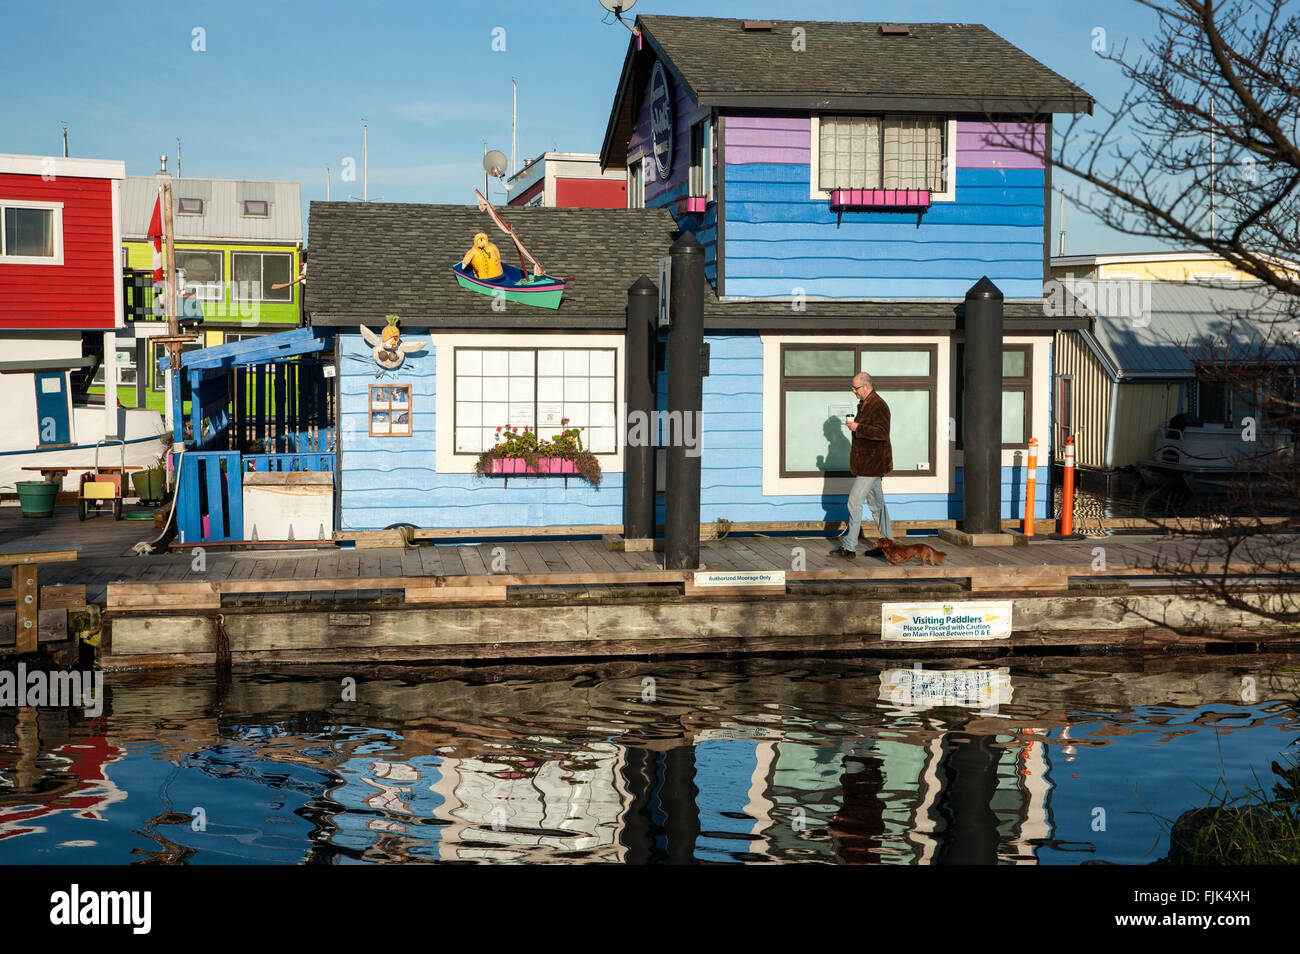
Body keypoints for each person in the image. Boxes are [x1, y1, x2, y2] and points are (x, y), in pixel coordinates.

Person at [831, 371, 893, 559]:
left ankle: (849, 548)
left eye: (855, 388)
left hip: (872, 464)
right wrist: (857, 425)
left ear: (866, 386)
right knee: (877, 505)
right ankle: (888, 545)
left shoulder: (878, 405)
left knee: (854, 501)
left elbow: (882, 433)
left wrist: (858, 427)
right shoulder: (865, 404)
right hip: (870, 463)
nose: (853, 391)